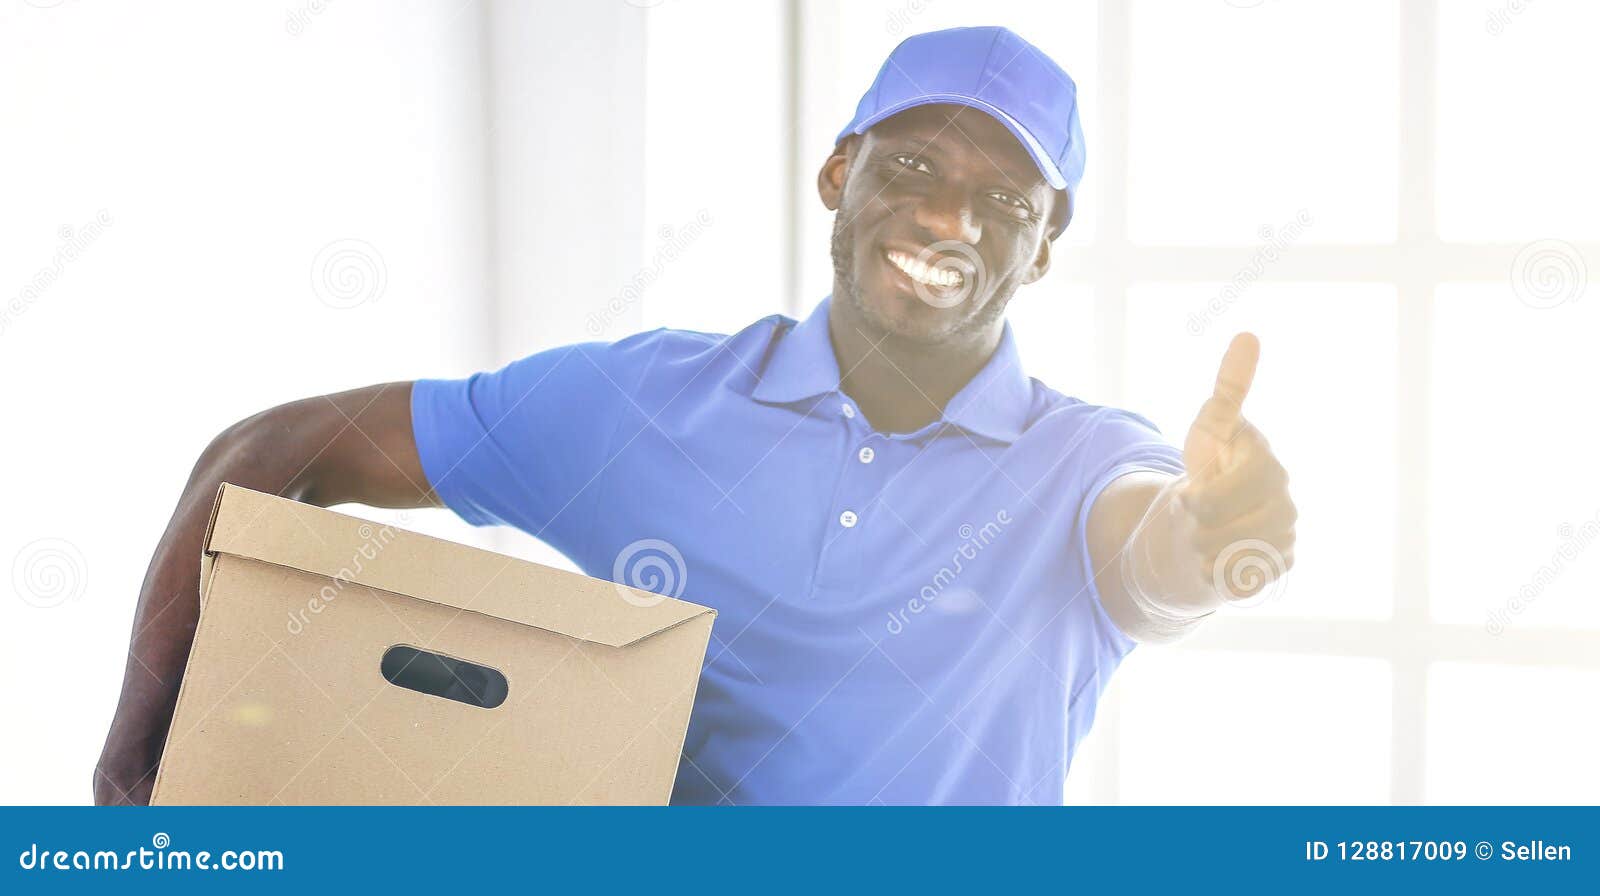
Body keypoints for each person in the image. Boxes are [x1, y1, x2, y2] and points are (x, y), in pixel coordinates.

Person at [95, 26, 1295, 806]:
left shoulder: (1080, 466)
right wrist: (135, 757)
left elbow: (1149, 560)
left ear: (1045, 246)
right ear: (841, 174)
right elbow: (268, 452)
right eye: (916, 170)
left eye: (1004, 200)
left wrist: (1214, 529)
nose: (949, 224)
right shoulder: (640, 406)